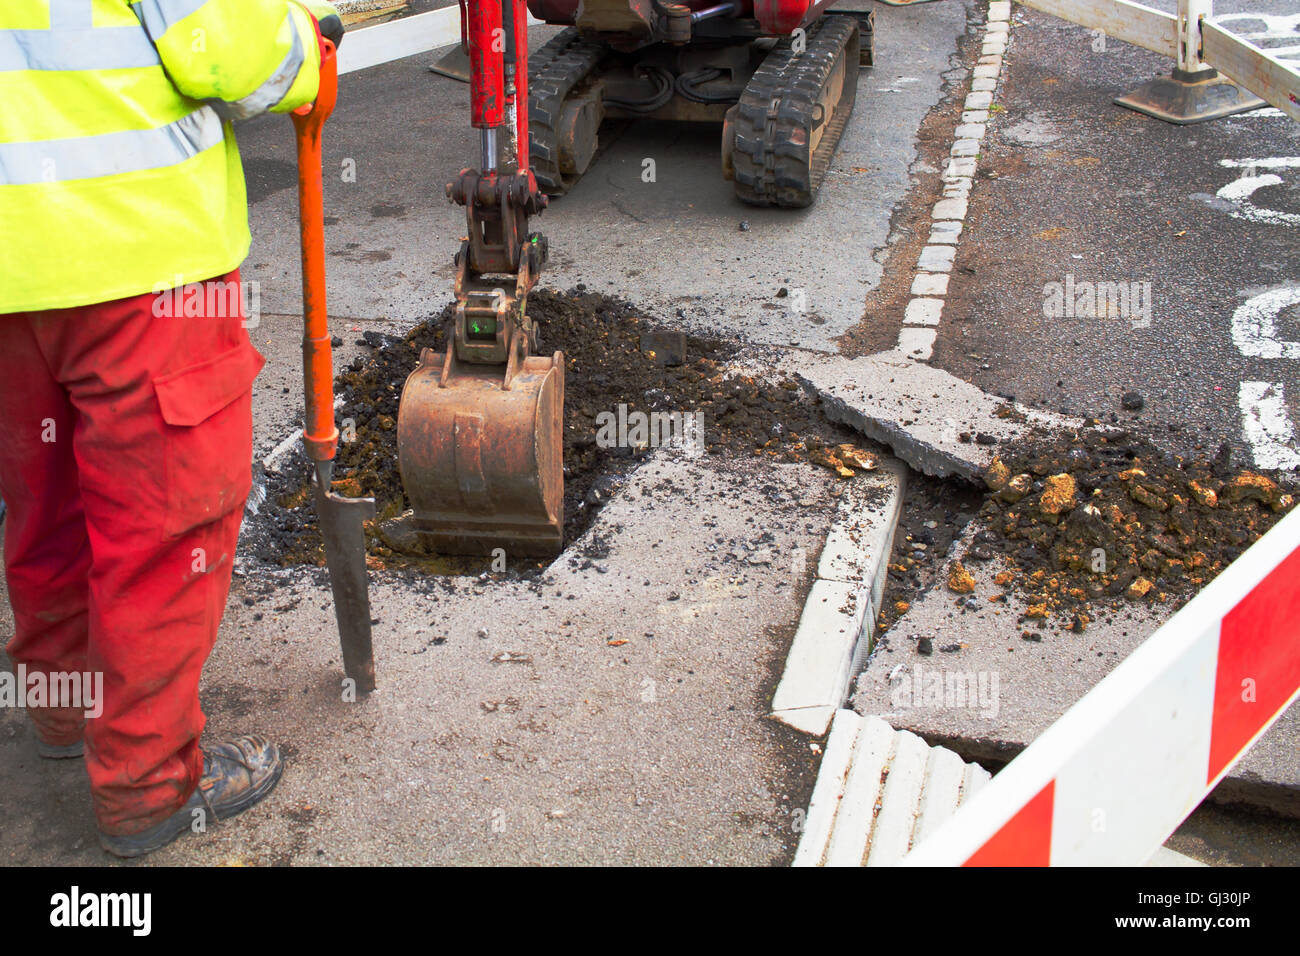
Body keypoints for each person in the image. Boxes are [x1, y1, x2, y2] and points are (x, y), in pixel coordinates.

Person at [0, 0, 344, 858]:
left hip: (12, 279)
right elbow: (225, 44)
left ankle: (66, 708)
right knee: (162, 535)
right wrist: (307, 46)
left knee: (45, 507)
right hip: (138, 263)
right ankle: (149, 786)